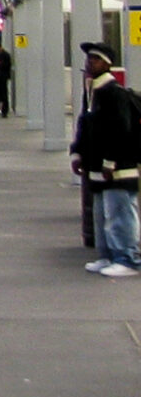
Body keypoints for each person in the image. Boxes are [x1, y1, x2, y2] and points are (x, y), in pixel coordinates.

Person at [70, 42, 141, 276]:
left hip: (118, 168)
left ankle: (127, 259)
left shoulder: (114, 93)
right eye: (89, 59)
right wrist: (77, 153)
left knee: (120, 213)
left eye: (96, 59)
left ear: (108, 64)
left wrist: (111, 161)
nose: (90, 63)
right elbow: (84, 126)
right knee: (101, 215)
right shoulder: (93, 92)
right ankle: (107, 255)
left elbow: (121, 130)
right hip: (96, 167)